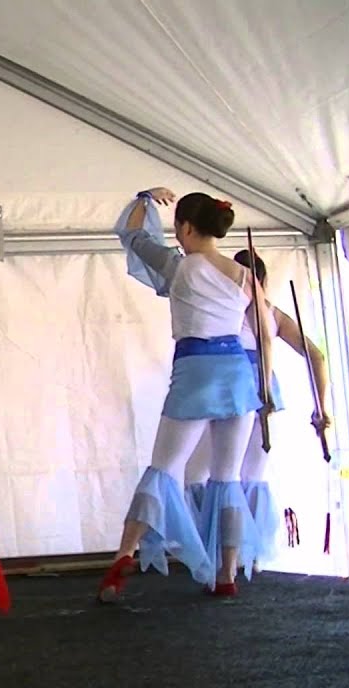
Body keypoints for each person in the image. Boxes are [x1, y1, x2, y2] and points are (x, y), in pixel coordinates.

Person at [97, 187, 272, 602]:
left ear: (188, 228)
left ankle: (123, 558)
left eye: (178, 228)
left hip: (195, 370)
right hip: (238, 374)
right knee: (226, 478)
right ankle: (227, 574)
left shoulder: (180, 267)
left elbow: (136, 239)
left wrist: (142, 200)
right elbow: (264, 333)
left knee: (162, 468)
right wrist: (265, 388)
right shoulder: (244, 275)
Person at [187, 251, 331, 575]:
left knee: (223, 477)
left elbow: (316, 357)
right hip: (239, 396)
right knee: (241, 478)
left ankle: (232, 558)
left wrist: (320, 408)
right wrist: (319, 407)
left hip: (234, 395)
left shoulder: (245, 314)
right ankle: (235, 558)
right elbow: (316, 357)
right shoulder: (265, 314)